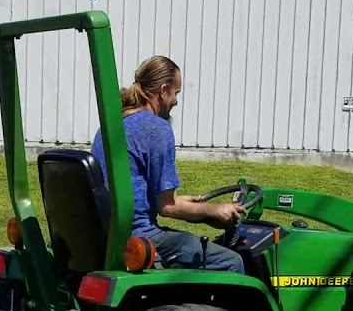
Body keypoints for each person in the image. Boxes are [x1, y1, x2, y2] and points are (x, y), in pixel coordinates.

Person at [91, 56, 246, 274]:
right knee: (232, 262)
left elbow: (133, 187)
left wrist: (184, 201)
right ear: (164, 91)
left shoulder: (113, 126)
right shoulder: (156, 129)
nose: (176, 101)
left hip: (107, 232)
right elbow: (168, 207)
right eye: (176, 93)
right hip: (139, 235)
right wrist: (215, 210)